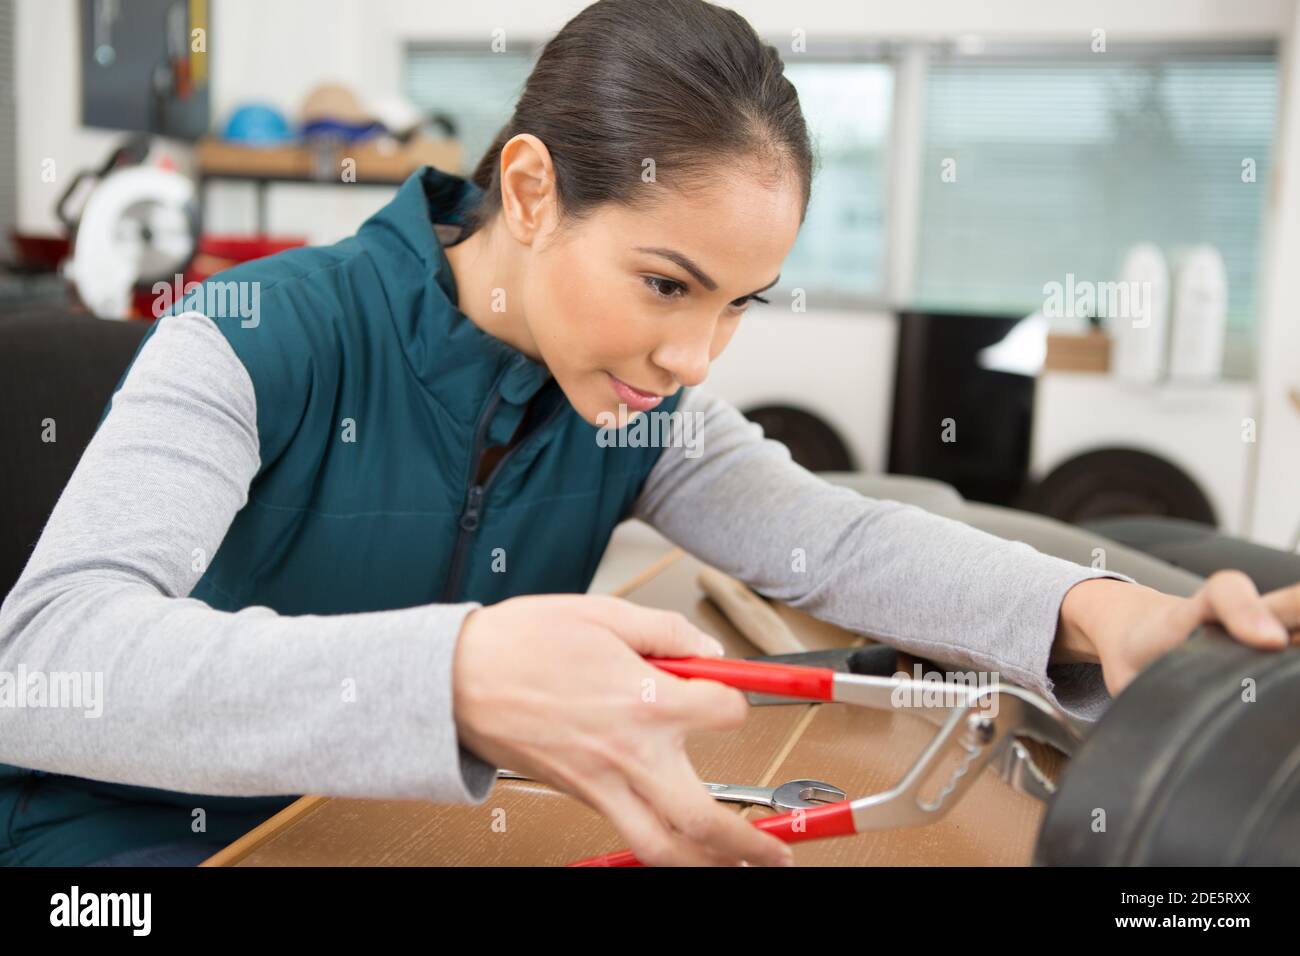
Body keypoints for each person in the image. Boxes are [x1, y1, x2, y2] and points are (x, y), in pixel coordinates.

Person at [1, 0, 1295, 867]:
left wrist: (1104, 615)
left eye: (739, 306)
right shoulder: (254, 328)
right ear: (527, 189)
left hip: (366, 832)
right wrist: (456, 677)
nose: (694, 357)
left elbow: (829, 540)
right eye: (668, 285)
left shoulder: (630, 405)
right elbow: (41, 663)